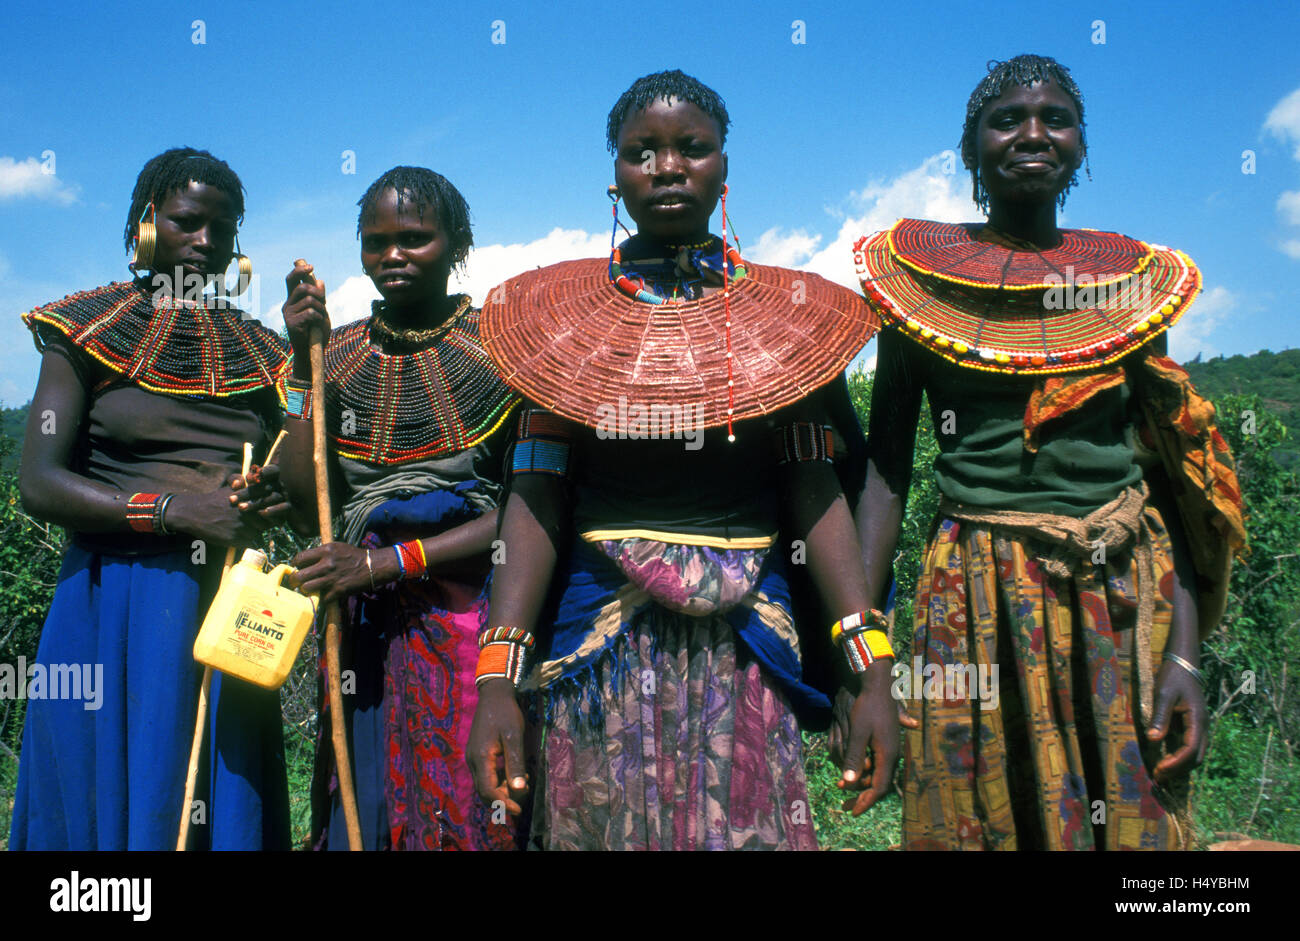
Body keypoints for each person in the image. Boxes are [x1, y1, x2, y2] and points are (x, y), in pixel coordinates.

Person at [468, 70, 890, 850]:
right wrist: (497, 675)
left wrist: (870, 668)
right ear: (614, 174)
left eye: (691, 148)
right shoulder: (555, 323)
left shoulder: (786, 323)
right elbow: (534, 492)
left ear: (725, 166)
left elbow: (814, 486)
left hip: (745, 648)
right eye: (642, 152)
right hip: (599, 644)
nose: (667, 167)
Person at [853, 55, 1246, 850]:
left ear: (1081, 145)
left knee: (1132, 819)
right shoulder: (916, 287)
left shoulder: (1128, 286)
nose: (1032, 134)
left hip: (1122, 586)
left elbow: (1171, 475)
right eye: (1007, 120)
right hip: (975, 593)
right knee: (982, 820)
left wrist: (1188, 655)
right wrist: (864, 653)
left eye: (1055, 118)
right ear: (970, 150)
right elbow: (885, 475)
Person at [10, 147, 292, 850]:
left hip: (227, 604)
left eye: (221, 231)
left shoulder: (264, 352)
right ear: (145, 223)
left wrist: (269, 494)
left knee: (212, 795)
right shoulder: (81, 332)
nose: (204, 243)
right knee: (104, 799)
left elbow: (299, 475)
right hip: (113, 598)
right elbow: (37, 481)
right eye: (186, 222)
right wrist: (170, 511)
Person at [279, 167, 523, 850]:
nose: (392, 256)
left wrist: (385, 561)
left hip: (472, 617)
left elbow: (527, 513)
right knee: (368, 804)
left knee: (471, 808)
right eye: (375, 241)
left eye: (414, 239)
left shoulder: (501, 350)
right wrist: (303, 363)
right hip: (363, 630)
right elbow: (306, 505)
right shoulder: (336, 355)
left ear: (457, 244)